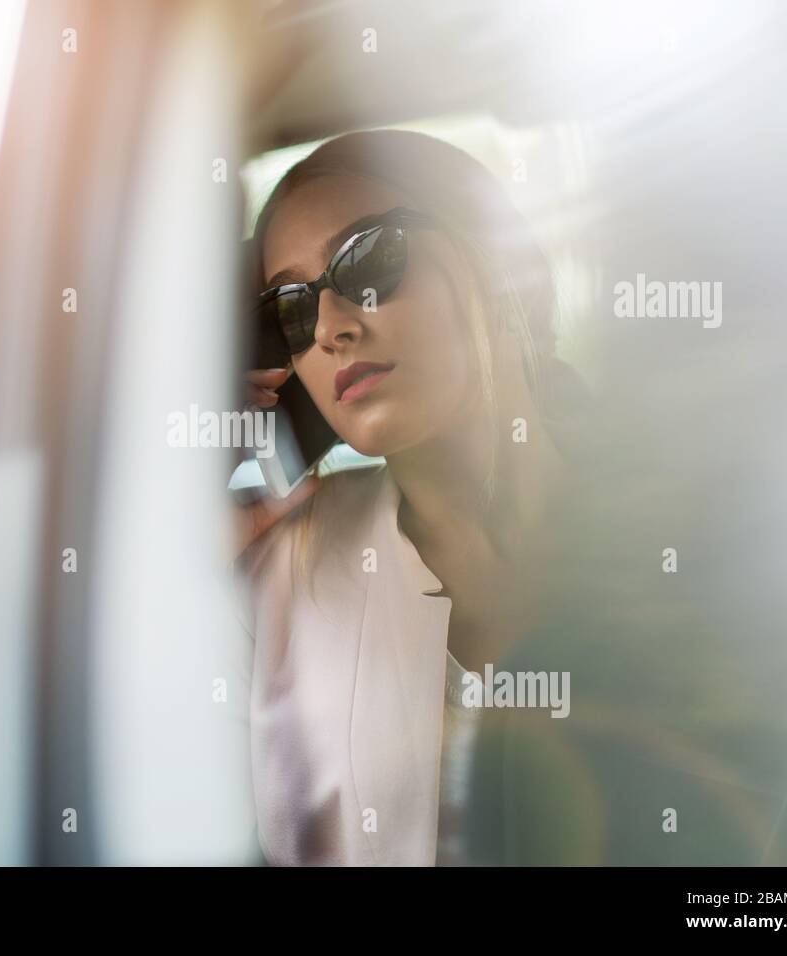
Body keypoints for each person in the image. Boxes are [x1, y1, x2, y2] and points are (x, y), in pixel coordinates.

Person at [232, 129, 587, 865]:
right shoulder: (268, 582)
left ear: (486, 262)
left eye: (367, 260)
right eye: (288, 312)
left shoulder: (666, 524)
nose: (331, 327)